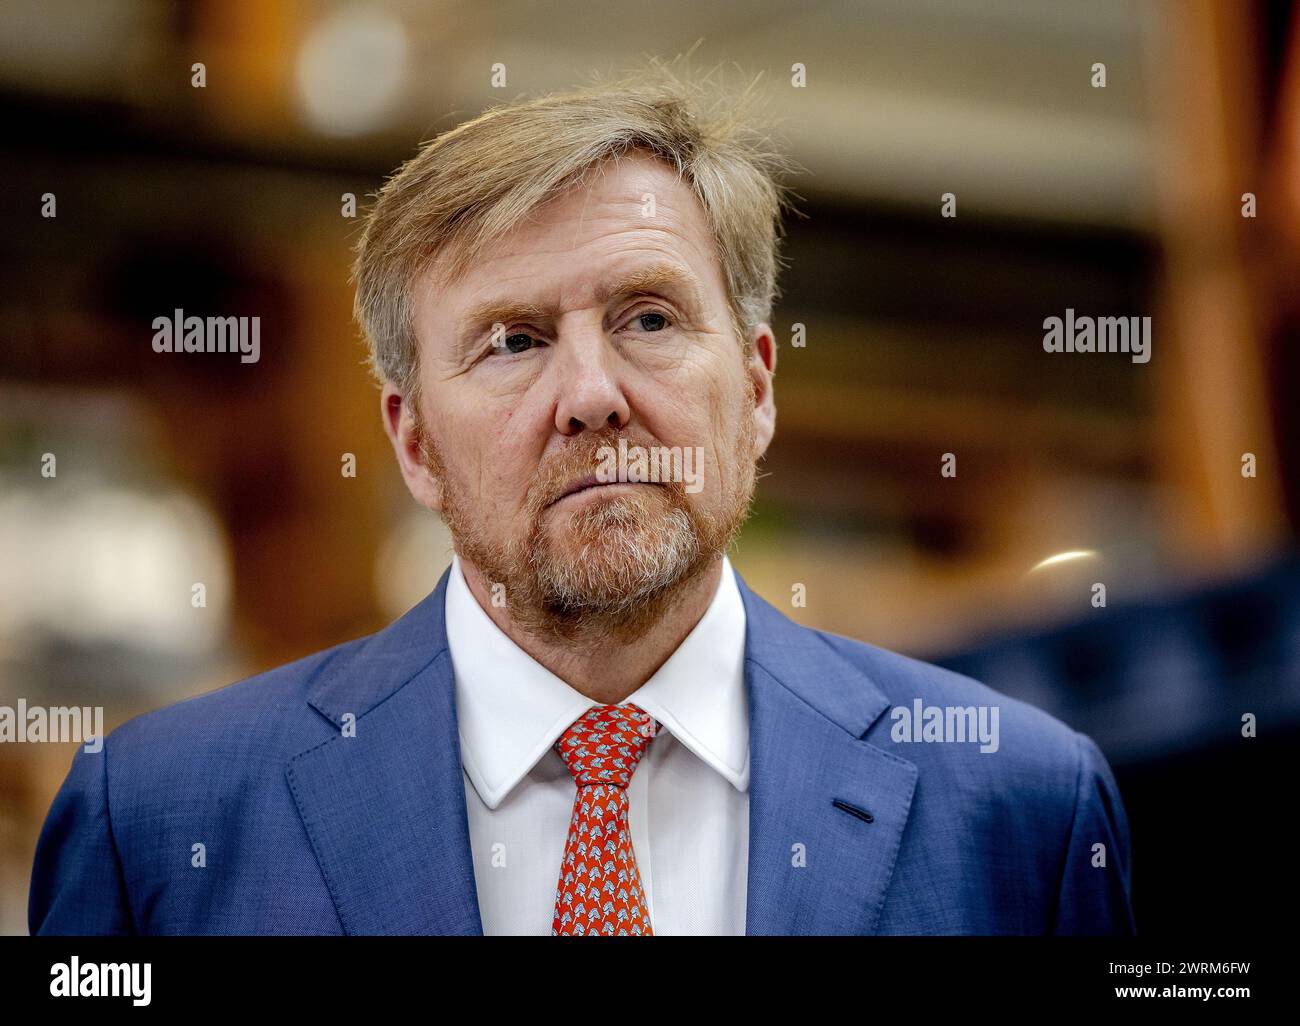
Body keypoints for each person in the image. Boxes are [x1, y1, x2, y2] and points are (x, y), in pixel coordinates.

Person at [29, 66, 1134, 936]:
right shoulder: (161, 824)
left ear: (754, 388)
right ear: (412, 442)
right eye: (513, 343)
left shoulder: (1013, 809)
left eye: (648, 319)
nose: (592, 396)